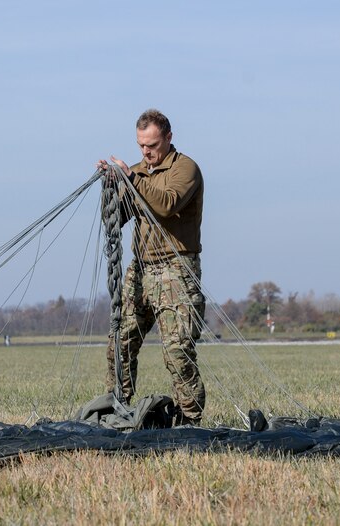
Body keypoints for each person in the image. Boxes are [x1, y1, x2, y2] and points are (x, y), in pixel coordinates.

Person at [96, 108, 206, 425]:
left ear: (168, 139)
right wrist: (109, 187)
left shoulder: (186, 169)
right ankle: (116, 409)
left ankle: (190, 419)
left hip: (177, 269)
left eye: (152, 145)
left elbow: (167, 204)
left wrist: (131, 179)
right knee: (120, 341)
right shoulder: (137, 171)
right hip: (141, 269)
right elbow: (115, 218)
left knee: (177, 350)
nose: (146, 153)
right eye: (141, 146)